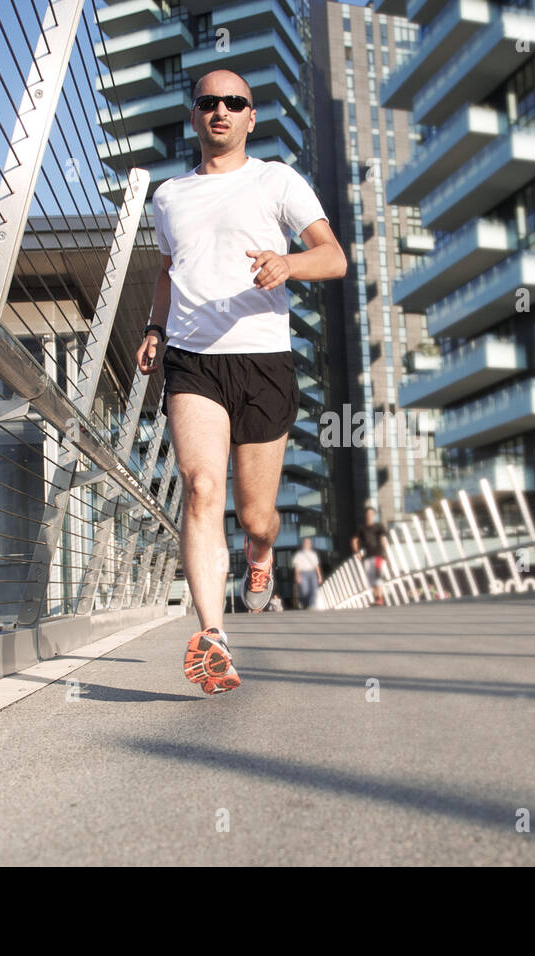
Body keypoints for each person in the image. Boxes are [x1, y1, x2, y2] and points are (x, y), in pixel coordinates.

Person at [135, 69, 347, 695]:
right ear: (195, 116)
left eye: (235, 103)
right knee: (201, 488)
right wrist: (155, 327)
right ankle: (213, 637)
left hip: (264, 360)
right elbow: (171, 273)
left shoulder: (276, 180)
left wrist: (288, 263)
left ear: (251, 117)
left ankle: (260, 556)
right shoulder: (169, 197)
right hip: (194, 360)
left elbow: (333, 257)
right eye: (209, 102)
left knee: (257, 516)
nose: (221, 111)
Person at [351, 507, 390, 606]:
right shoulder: (361, 528)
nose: (369, 515)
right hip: (367, 556)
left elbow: (383, 540)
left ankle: (379, 598)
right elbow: (354, 541)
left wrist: (386, 554)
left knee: (377, 577)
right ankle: (377, 598)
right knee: (371, 579)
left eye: (371, 513)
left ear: (374, 515)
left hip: (378, 555)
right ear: (365, 515)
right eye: (368, 513)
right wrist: (357, 553)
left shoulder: (379, 527)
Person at [293, 536, 322, 609]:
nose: (307, 544)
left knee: (314, 589)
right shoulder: (299, 555)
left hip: (312, 573)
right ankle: (304, 604)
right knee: (304, 590)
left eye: (308, 543)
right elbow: (297, 567)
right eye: (306, 542)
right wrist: (297, 576)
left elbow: (316, 566)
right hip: (303, 573)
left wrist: (319, 576)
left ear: (310, 544)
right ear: (303, 544)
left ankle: (312, 605)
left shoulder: (313, 554)